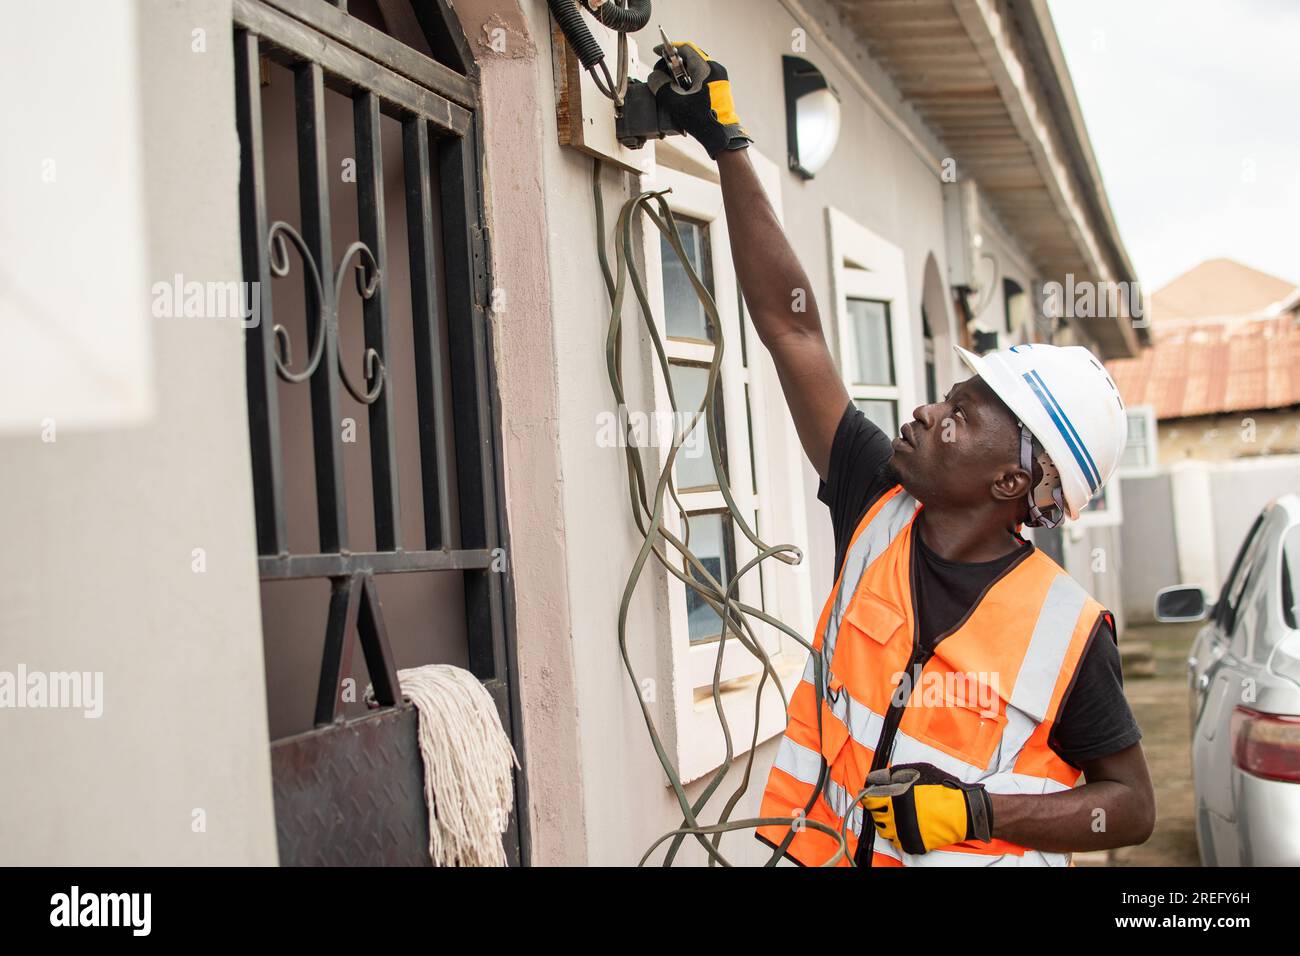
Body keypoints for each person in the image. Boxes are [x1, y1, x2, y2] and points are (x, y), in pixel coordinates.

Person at [648, 41, 1155, 867]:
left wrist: (979, 812)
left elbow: (1132, 807)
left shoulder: (1067, 633)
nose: (925, 411)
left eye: (958, 415)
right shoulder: (877, 500)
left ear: (1012, 479)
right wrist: (728, 143)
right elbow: (794, 329)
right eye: (944, 399)